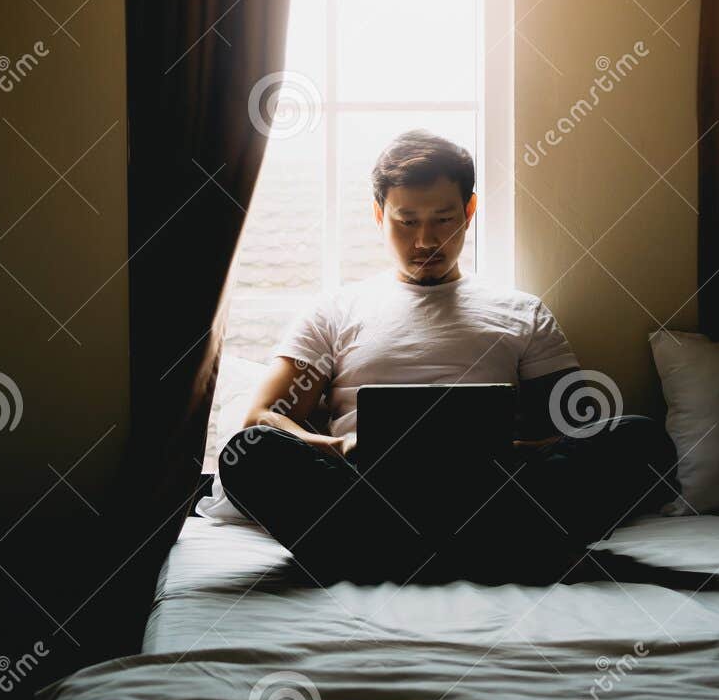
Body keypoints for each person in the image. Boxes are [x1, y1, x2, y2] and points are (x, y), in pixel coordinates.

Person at [200, 129, 676, 583]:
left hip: (495, 500)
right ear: (378, 215)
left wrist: (508, 454)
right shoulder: (334, 311)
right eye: (406, 222)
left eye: (443, 220)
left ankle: (391, 559)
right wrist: (341, 448)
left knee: (642, 441)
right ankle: (497, 555)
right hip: (369, 499)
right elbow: (262, 417)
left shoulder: (520, 313)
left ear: (469, 211)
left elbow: (569, 429)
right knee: (250, 455)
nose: (425, 241)